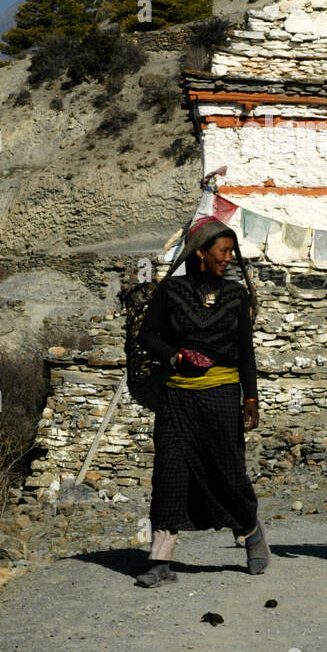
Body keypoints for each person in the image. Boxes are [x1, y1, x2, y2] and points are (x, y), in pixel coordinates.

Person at [135, 215, 270, 585]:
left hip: (223, 394)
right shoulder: (171, 291)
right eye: (222, 251)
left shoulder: (235, 295)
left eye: (231, 252)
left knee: (228, 470)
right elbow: (147, 335)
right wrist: (176, 356)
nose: (228, 258)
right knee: (169, 472)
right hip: (177, 395)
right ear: (201, 253)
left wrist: (251, 396)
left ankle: (251, 534)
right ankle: (161, 560)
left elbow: (245, 351)